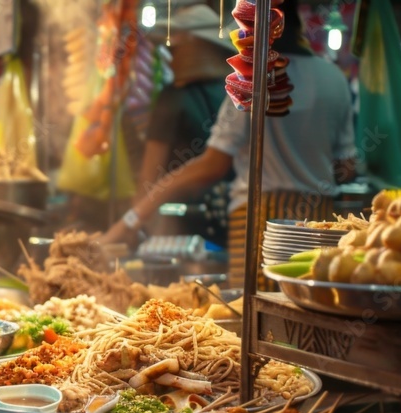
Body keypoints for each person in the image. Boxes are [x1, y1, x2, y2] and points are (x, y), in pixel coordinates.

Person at [102, 0, 357, 289]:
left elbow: (212, 164)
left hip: (260, 221)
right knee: (312, 313)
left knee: (256, 317)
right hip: (318, 224)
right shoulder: (333, 79)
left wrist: (133, 217)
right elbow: (346, 167)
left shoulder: (252, 80)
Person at [135, 2, 235, 239]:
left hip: (176, 234)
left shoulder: (172, 97)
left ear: (197, 45)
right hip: (229, 228)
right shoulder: (234, 94)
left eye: (175, 48)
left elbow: (149, 176)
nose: (169, 56)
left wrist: (133, 221)